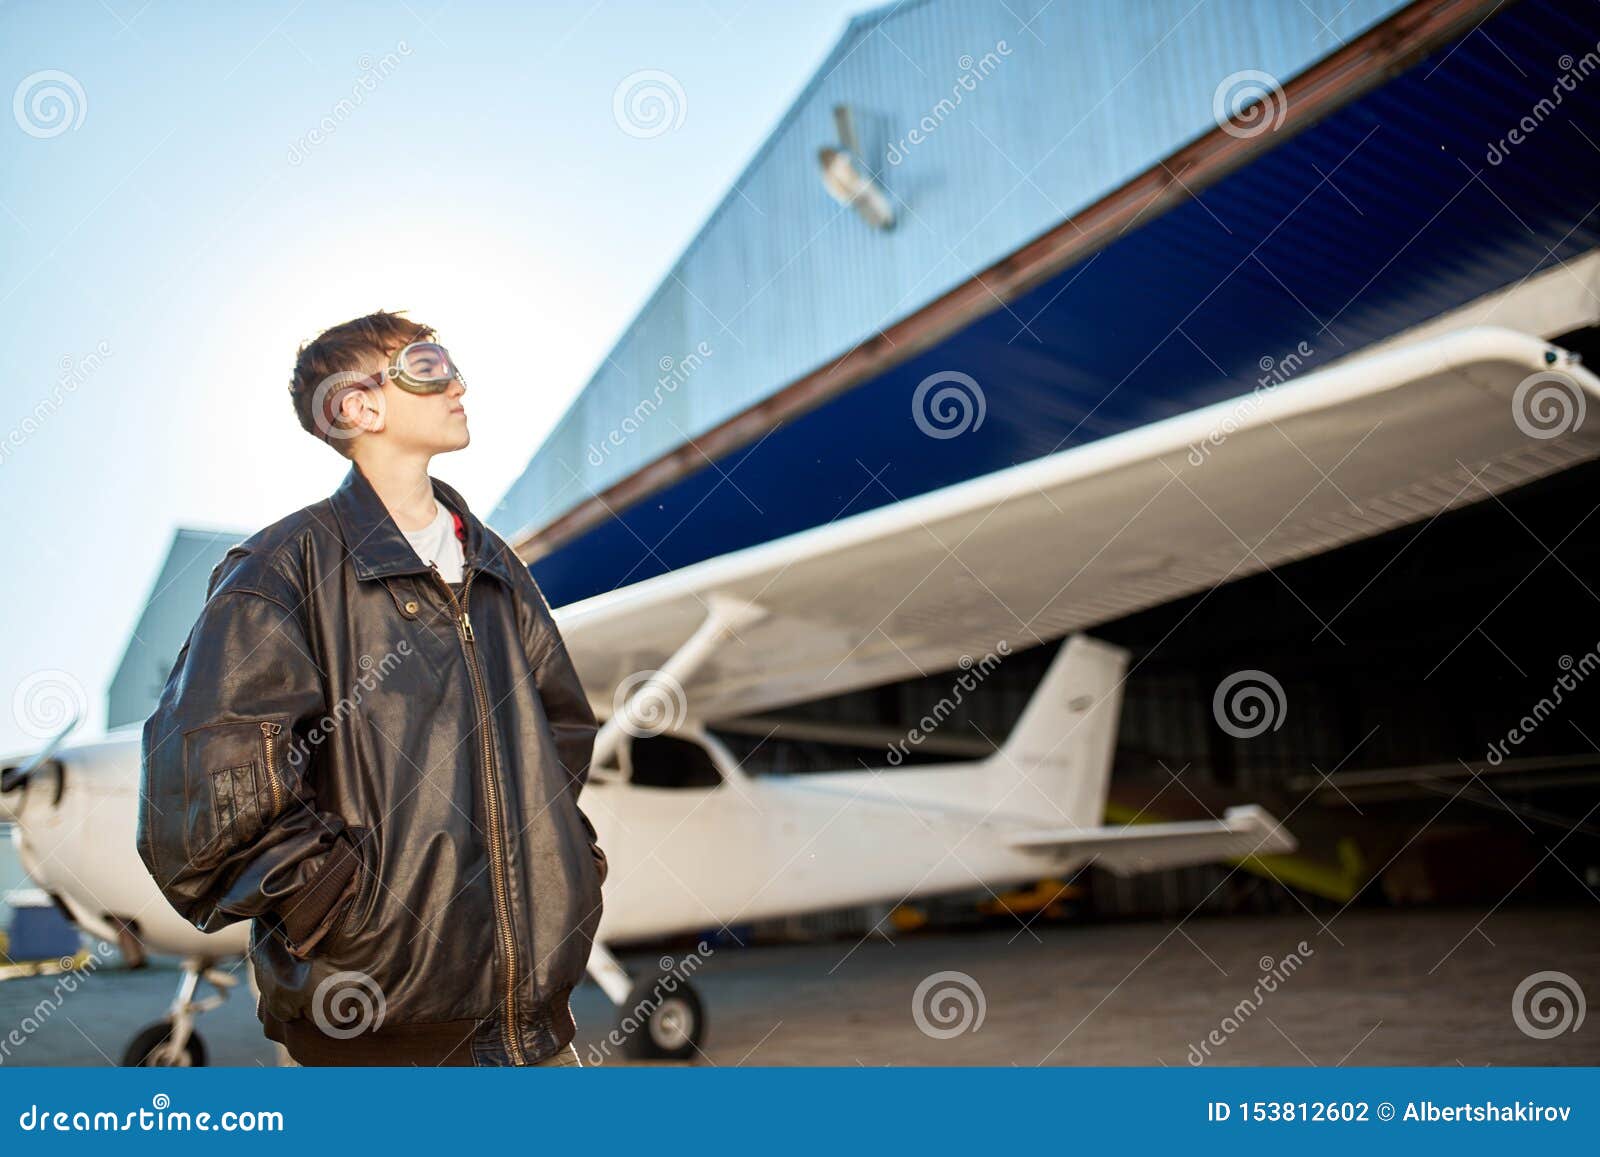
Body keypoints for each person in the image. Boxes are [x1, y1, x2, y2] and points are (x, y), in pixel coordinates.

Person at [137, 310, 606, 1066]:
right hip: (370, 1034)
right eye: (427, 365)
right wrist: (336, 907)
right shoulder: (279, 569)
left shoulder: (498, 568)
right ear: (357, 406)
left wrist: (569, 862)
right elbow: (204, 790)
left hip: (536, 1029)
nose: (457, 383)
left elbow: (564, 737)